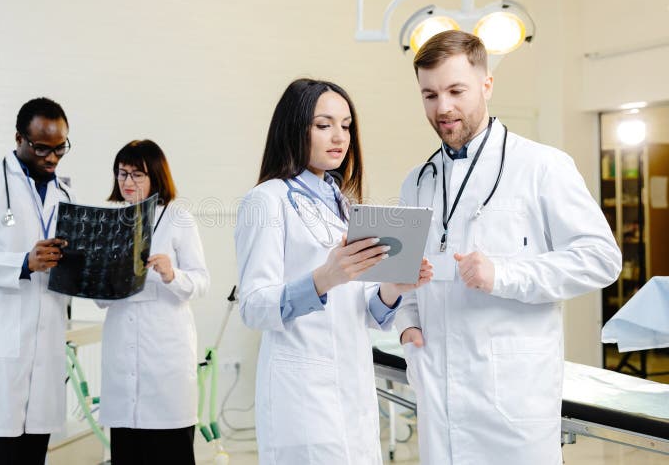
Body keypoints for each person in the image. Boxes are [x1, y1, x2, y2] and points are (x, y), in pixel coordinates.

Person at [396, 30, 622, 465]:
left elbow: (601, 258)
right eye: (429, 95)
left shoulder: (542, 166)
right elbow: (405, 276)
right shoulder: (417, 181)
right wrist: (407, 324)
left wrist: (504, 275)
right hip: (439, 396)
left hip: (514, 402)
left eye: (456, 90)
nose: (443, 107)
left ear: (486, 85)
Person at [235, 78, 432, 464]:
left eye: (346, 125)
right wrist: (324, 279)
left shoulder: (342, 203)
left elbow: (364, 312)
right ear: (294, 128)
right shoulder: (267, 201)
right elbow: (254, 306)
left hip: (353, 383)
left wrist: (393, 285)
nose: (338, 136)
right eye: (323, 125)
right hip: (302, 392)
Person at [0, 97, 75, 464]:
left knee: (35, 453)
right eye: (41, 148)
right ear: (19, 139)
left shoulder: (65, 194)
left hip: (46, 344)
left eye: (60, 149)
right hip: (2, 348)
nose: (51, 158)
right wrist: (24, 262)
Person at [98, 139, 210, 465]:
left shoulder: (178, 218)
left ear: (156, 176)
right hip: (121, 341)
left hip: (165, 349)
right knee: (126, 444)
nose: (128, 183)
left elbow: (201, 282)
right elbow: (101, 298)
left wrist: (171, 273)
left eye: (137, 174)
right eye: (122, 174)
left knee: (169, 445)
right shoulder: (111, 220)